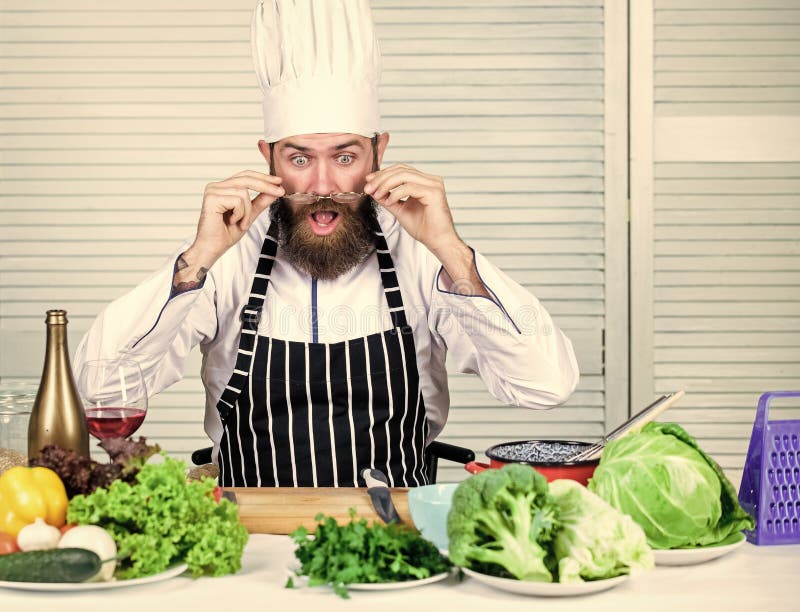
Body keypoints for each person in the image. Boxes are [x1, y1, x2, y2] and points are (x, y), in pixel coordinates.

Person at [75, 0, 579, 488]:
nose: (321, 185)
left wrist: (455, 255)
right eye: (299, 159)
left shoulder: (425, 259)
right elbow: (98, 388)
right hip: (249, 541)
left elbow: (544, 386)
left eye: (344, 157)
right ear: (267, 159)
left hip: (398, 539)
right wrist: (196, 260)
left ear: (379, 152)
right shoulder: (227, 260)